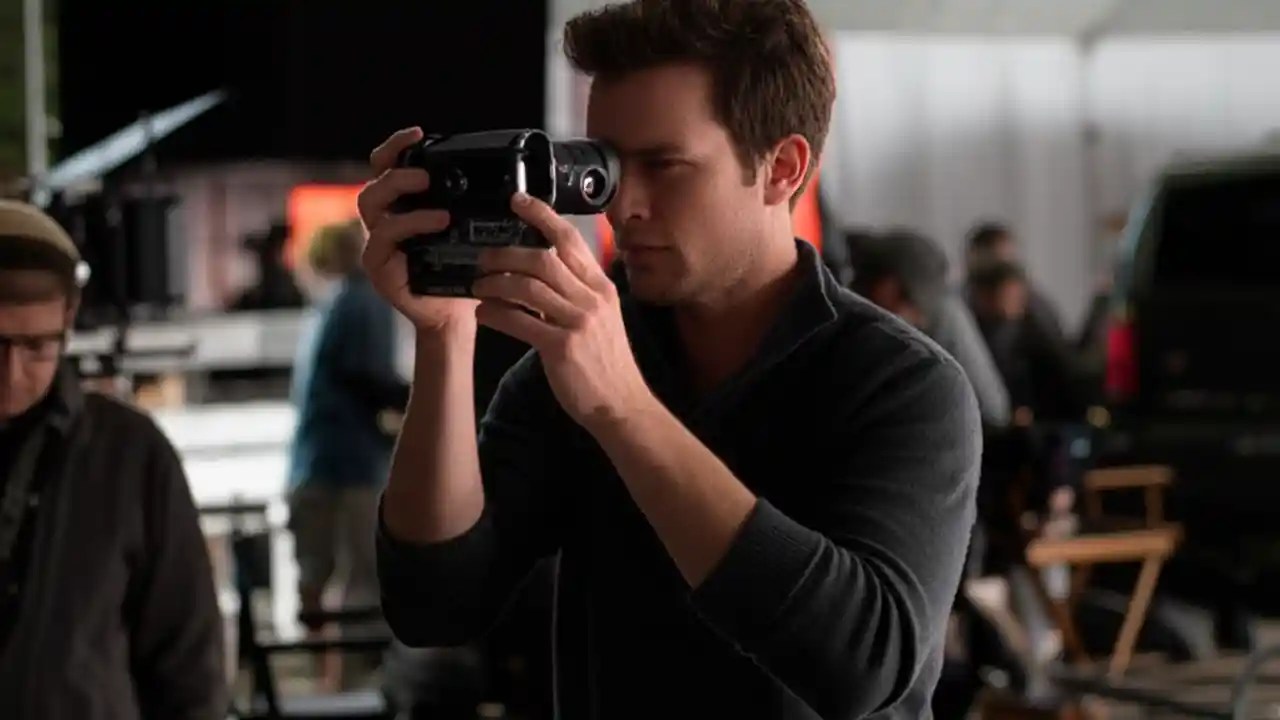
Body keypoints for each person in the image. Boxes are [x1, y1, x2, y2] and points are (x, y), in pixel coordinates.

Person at [370, 2, 981, 718]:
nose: (623, 205)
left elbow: (863, 665)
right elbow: (435, 607)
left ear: (782, 168)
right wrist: (443, 334)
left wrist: (624, 413)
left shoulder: (903, 383)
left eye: (665, 165)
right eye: (605, 166)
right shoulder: (575, 364)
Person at [0, 199, 225, 718]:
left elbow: (187, 659)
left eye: (37, 347)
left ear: (69, 319)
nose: (12, 375)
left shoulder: (130, 453)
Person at [286, 219, 408, 689]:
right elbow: (370, 380)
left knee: (318, 579)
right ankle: (348, 687)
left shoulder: (327, 308)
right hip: (351, 466)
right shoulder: (364, 302)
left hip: (312, 464)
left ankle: (324, 682)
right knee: (358, 581)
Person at [850, 229, 1010, 427]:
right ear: (888, 285)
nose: (918, 319)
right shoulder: (843, 305)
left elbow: (992, 410)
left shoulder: (943, 316)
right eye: (909, 302)